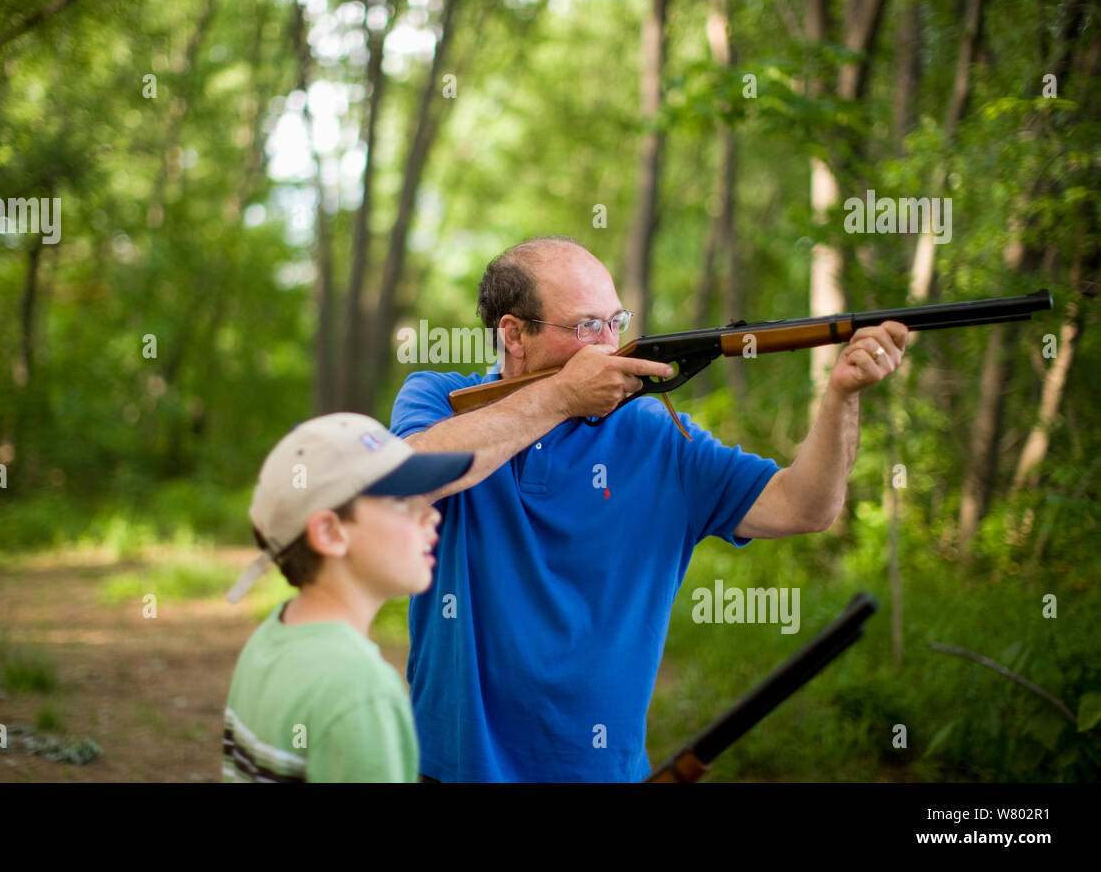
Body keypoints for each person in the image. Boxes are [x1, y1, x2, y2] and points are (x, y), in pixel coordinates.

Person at [390, 236, 907, 781]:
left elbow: (805, 507)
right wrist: (562, 396)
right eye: (586, 326)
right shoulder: (436, 398)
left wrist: (843, 395)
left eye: (616, 321)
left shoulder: (660, 435)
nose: (610, 344)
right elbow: (406, 479)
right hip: (445, 769)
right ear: (514, 335)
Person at [223, 412, 471, 782]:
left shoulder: (269, 641)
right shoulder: (362, 692)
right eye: (403, 500)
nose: (430, 514)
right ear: (330, 532)